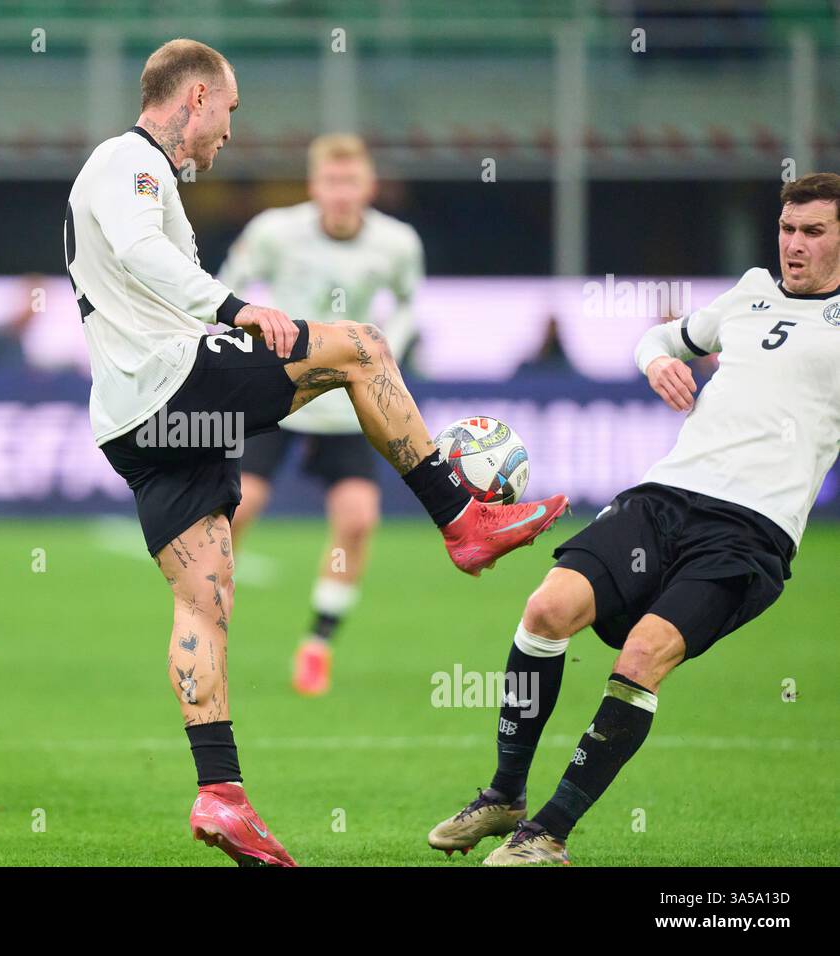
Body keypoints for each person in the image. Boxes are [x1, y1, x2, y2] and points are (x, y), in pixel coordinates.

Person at [67, 38, 568, 866]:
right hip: (173, 378)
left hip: (134, 421)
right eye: (229, 109)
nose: (229, 130)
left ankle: (221, 793)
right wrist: (238, 309)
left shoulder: (136, 173)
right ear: (194, 98)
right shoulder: (130, 160)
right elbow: (139, 254)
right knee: (360, 347)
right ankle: (462, 519)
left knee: (204, 603)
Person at [428, 173, 840, 865]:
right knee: (546, 609)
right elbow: (660, 338)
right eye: (787, 229)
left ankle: (548, 834)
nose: (793, 245)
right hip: (665, 497)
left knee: (642, 655)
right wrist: (657, 364)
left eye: (813, 232)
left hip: (750, 532)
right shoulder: (749, 293)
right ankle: (504, 796)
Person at [218, 133, 424, 695]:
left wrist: (388, 352)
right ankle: (209, 621)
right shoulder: (274, 231)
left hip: (344, 400)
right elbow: (225, 287)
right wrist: (248, 332)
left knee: (356, 521)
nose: (340, 193)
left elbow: (407, 302)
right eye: (330, 182)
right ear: (314, 186)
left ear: (368, 186)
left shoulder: (397, 243)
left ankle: (317, 644)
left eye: (350, 182)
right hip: (277, 394)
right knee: (238, 510)